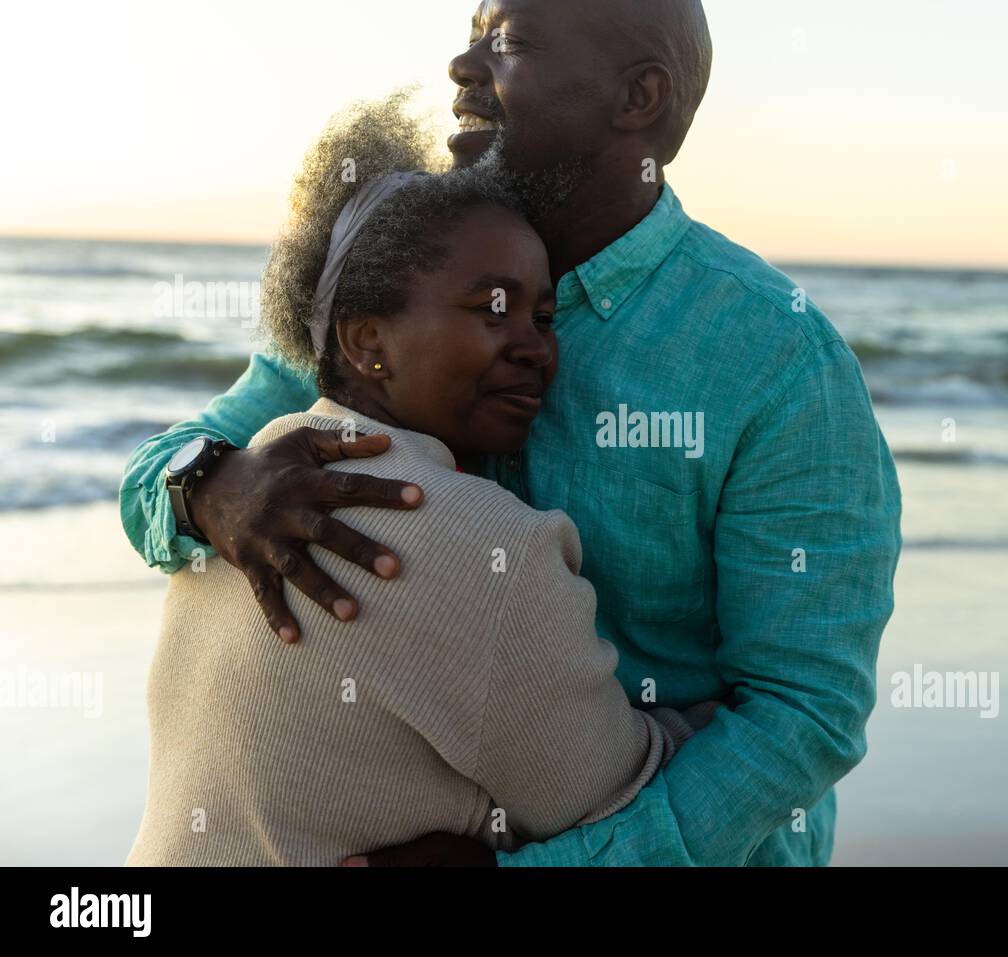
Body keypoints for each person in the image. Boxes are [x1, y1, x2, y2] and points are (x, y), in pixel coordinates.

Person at [120, 0, 903, 866]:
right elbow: (155, 476)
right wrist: (210, 488)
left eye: (510, 44)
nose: (461, 67)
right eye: (468, 33)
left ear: (637, 97)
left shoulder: (776, 359)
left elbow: (807, 711)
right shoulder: (389, 274)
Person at [126, 97, 711, 866]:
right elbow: (608, 796)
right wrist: (714, 715)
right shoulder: (490, 548)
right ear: (366, 339)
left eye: (543, 316)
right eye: (492, 309)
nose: (536, 348)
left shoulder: (256, 474)